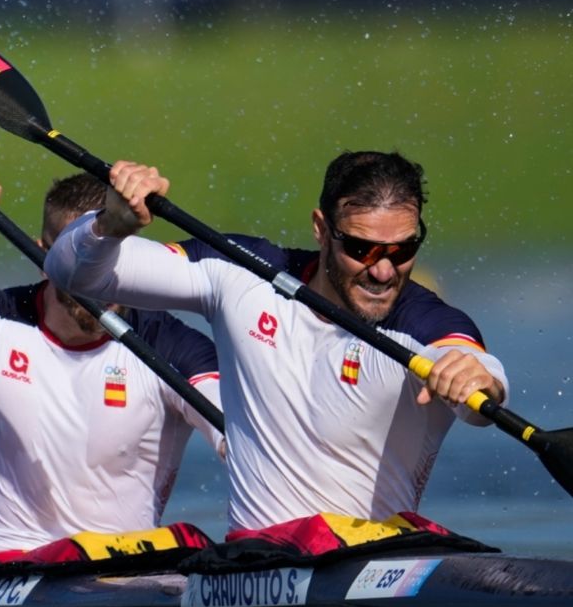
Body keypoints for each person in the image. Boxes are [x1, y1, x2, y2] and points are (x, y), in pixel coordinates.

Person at [43, 150, 509, 536]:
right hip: (257, 569)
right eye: (362, 250)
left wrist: (479, 379)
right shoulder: (243, 271)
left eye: (403, 250)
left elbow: (473, 377)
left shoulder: (426, 322)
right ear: (321, 230)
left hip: (375, 573)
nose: (384, 271)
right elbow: (71, 272)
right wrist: (110, 224)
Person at [0, 164, 223, 560]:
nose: (91, 277)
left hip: (127, 580)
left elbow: (248, 441)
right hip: (0, 579)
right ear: (41, 256)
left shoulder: (170, 347)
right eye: (77, 259)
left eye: (108, 258)